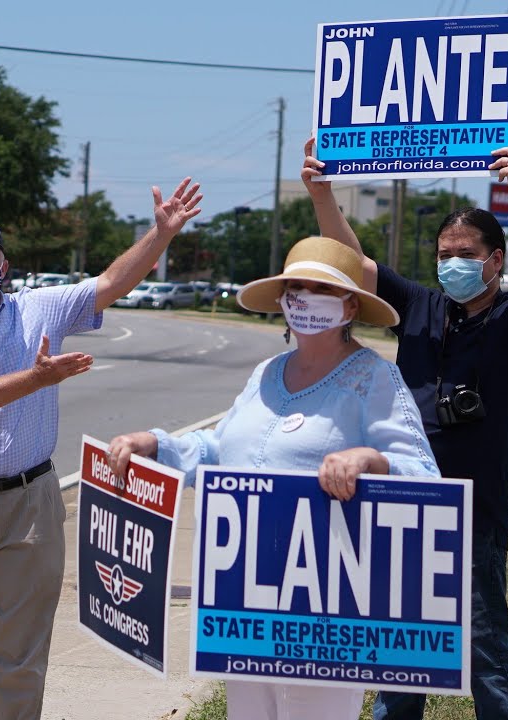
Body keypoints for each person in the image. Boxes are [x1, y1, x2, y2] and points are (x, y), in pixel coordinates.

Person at [0, 178, 202, 720]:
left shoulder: (41, 308)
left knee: (22, 656)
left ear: (5, 263)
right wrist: (36, 379)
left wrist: (159, 236)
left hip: (31, 504)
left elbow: (112, 282)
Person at [107, 236, 440, 720]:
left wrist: (372, 460)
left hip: (325, 609)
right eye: (294, 288)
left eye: (318, 288)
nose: (303, 298)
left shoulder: (374, 379)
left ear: (350, 305)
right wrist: (157, 444)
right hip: (244, 602)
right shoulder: (266, 372)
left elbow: (425, 478)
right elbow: (220, 451)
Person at [301, 129, 508, 720]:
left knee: (485, 652)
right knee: (400, 652)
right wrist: (321, 195)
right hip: (399, 504)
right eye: (444, 254)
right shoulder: (419, 306)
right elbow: (353, 267)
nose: (453, 264)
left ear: (495, 260)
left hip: (474, 511)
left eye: (467, 255)